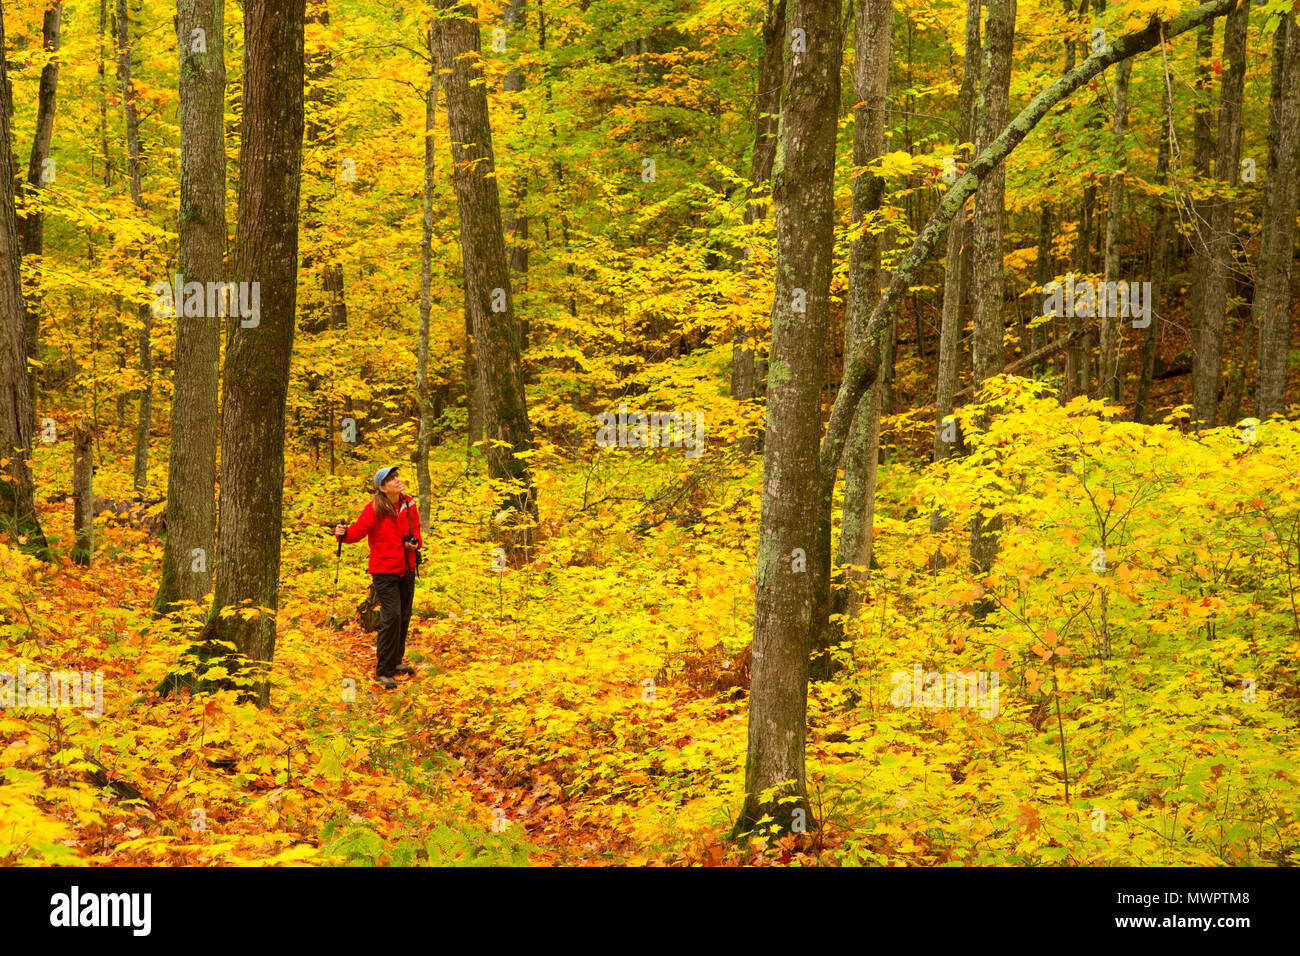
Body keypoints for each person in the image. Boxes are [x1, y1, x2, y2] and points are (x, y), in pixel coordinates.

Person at [335, 465, 422, 689]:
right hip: (384, 572)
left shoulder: (409, 504)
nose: (397, 480)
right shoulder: (375, 508)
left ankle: (396, 663)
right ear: (382, 488)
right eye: (391, 479)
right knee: (391, 616)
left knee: (403, 616)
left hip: (407, 567)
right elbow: (357, 532)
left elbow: (417, 533)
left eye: (397, 477)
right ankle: (383, 671)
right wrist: (342, 534)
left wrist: (413, 545)